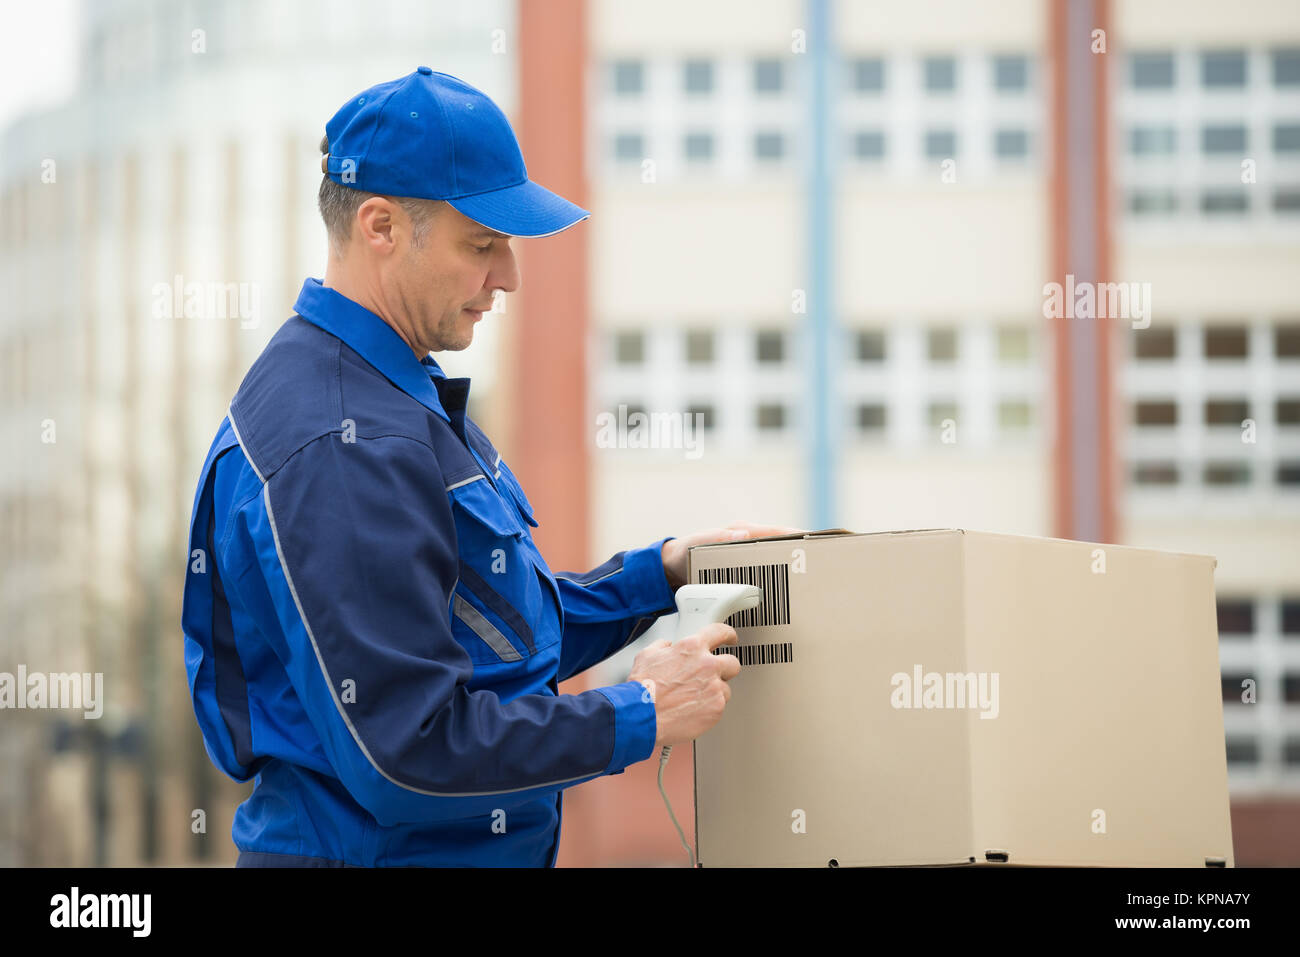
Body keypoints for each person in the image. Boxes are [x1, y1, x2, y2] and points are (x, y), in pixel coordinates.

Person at [180, 66, 800, 867]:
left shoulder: (387, 398)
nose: (507, 276)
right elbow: (408, 750)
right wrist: (641, 708)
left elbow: (494, 638)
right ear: (380, 226)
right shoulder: (341, 445)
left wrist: (662, 575)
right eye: (483, 244)